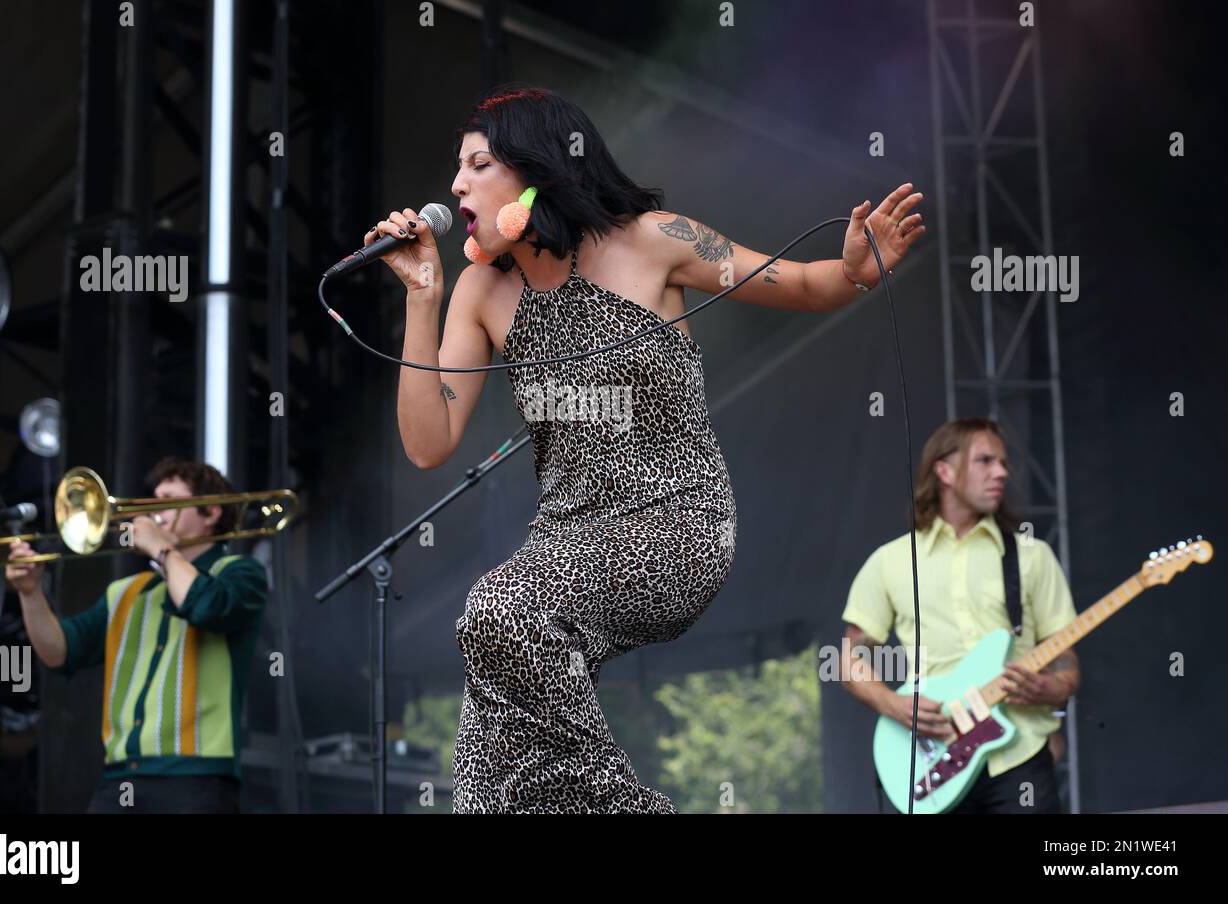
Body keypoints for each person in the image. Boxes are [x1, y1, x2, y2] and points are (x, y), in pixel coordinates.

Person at [367, 85, 925, 813]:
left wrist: (857, 266)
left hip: (675, 522)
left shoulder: (654, 241)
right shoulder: (479, 289)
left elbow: (805, 286)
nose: (455, 184)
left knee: (496, 609)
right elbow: (427, 443)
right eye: (457, 168)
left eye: (475, 165)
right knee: (487, 768)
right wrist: (421, 297)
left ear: (533, 170)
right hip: (562, 541)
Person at [840, 418, 1081, 813]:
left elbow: (1066, 655)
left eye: (1003, 463)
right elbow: (848, 660)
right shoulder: (890, 562)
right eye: (985, 461)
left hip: (1018, 755)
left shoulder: (1031, 555)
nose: (1001, 472)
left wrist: (1056, 687)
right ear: (945, 471)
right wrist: (893, 704)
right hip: (931, 758)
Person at [6, 458, 268, 814]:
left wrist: (162, 549)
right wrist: (30, 593)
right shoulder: (125, 591)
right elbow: (58, 653)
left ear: (211, 513)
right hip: (119, 780)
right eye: (153, 499)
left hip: (196, 780)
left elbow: (205, 606)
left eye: (169, 501)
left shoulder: (240, 573)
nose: (155, 511)